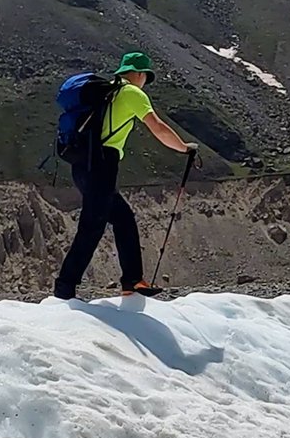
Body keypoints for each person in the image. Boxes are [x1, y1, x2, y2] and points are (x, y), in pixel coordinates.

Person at [54, 51, 196, 300]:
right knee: (92, 225)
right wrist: (184, 148)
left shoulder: (110, 91)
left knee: (123, 219)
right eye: (146, 77)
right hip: (102, 164)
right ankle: (65, 288)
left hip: (83, 163)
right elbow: (158, 127)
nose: (145, 82)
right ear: (140, 74)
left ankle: (132, 280)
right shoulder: (131, 93)